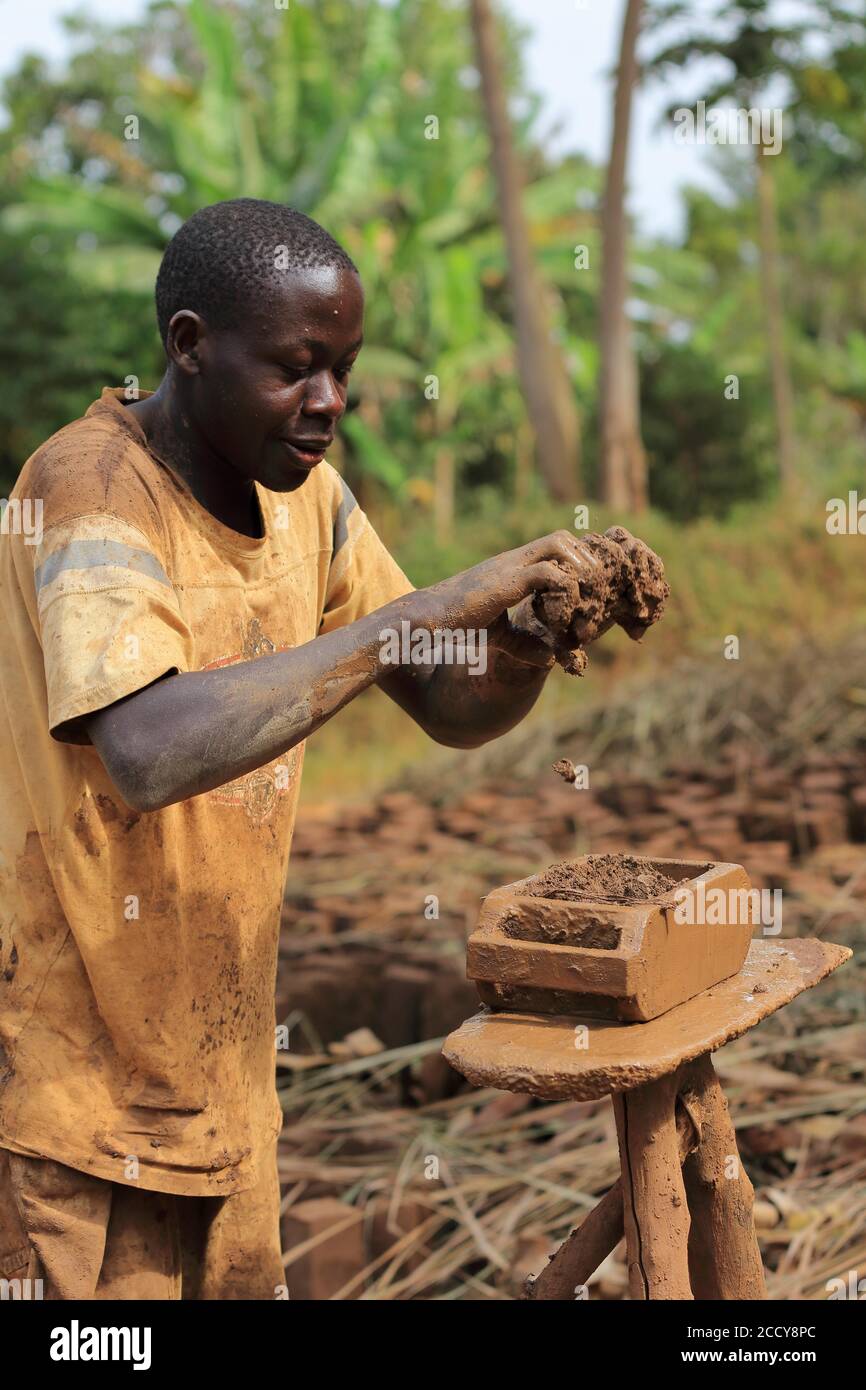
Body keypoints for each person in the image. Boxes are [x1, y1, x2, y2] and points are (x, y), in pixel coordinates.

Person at [0, 198, 615, 1299]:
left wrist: (517, 642)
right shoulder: (91, 492)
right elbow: (147, 748)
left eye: (344, 369)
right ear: (190, 346)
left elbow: (442, 697)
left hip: (223, 1085)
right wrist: (416, 613)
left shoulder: (308, 500)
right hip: (70, 1095)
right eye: (296, 367)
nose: (328, 403)